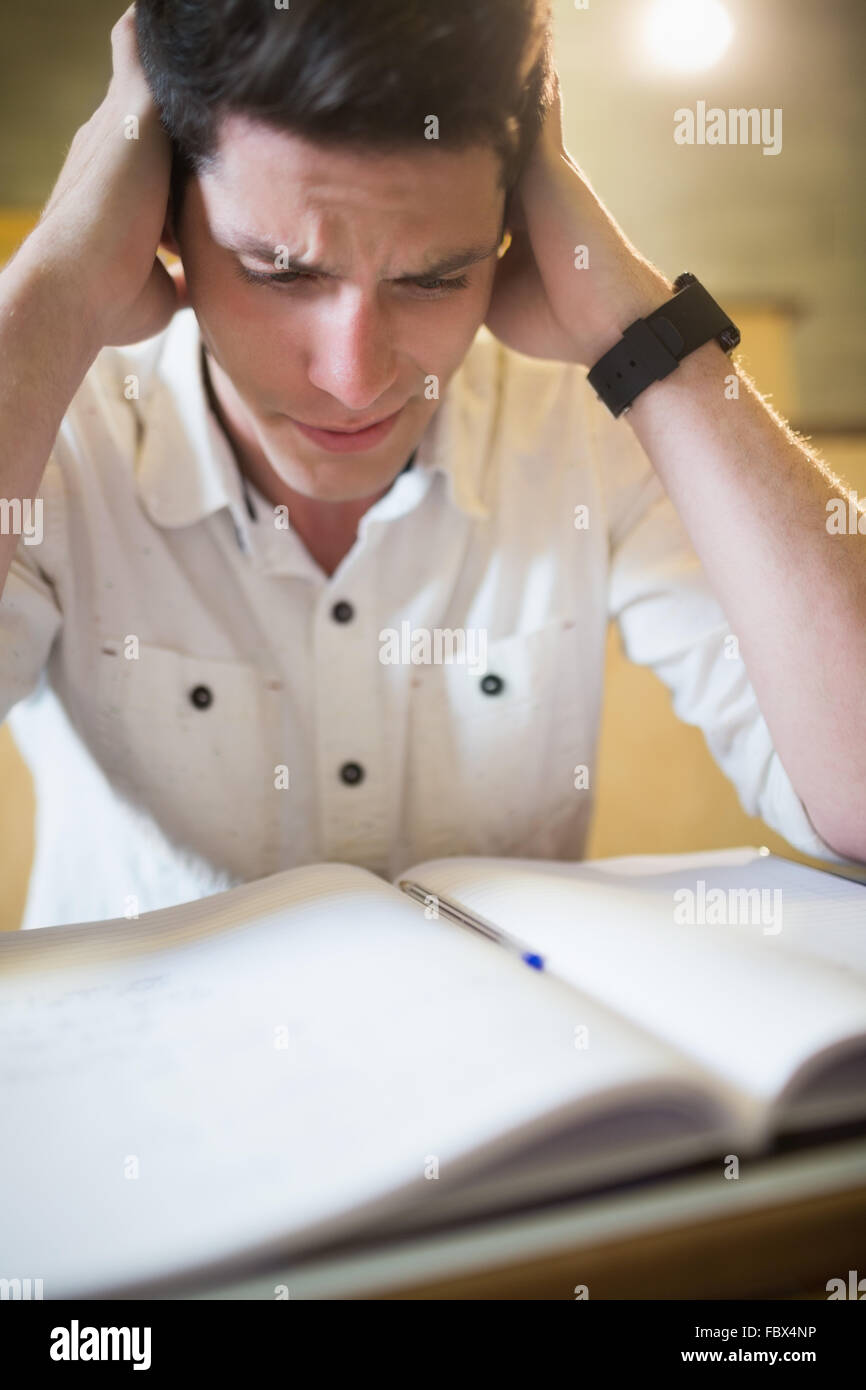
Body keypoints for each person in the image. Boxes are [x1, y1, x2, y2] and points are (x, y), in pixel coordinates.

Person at [0, 0, 862, 930]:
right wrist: (52, 294)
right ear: (161, 225)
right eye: (282, 274)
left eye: (435, 276)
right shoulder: (58, 429)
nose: (355, 377)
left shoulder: (586, 422)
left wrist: (643, 335)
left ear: (509, 234)